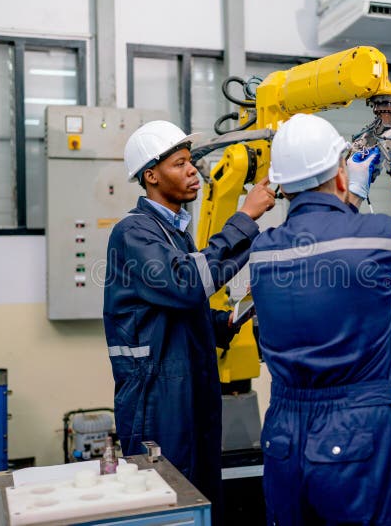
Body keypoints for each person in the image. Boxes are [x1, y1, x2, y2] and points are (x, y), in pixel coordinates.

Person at [249, 113, 391, 525]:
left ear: (281, 184)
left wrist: (351, 196)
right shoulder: (380, 235)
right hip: (359, 434)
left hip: (283, 437)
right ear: (340, 174)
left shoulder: (263, 252)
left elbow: (325, 246)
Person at [103, 120, 274, 523]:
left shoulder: (174, 232)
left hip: (190, 389)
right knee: (168, 502)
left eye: (190, 163)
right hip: (156, 396)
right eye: (180, 164)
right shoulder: (135, 232)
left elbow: (180, 304)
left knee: (200, 499)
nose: (192, 170)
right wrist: (244, 217)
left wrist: (225, 319)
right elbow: (184, 285)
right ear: (151, 176)